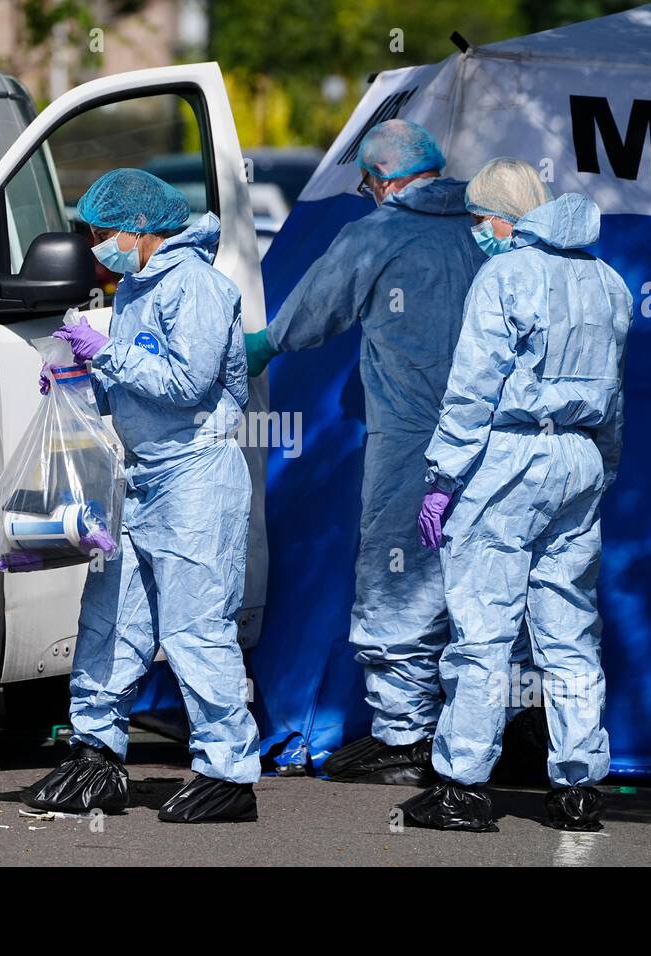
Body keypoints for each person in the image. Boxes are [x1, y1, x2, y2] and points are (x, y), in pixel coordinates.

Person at [244, 119, 508, 786]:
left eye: (368, 182)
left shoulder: (377, 234)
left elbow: (309, 315)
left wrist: (262, 345)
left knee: (398, 584)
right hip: (500, 442)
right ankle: (487, 737)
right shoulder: (486, 232)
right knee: (491, 587)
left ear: (382, 179)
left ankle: (404, 736)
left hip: (414, 443)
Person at [22, 168, 261, 824]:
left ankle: (227, 772)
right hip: (141, 475)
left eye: (103, 231)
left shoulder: (201, 288)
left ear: (140, 227)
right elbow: (132, 383)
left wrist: (106, 354)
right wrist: (78, 374)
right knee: (112, 619)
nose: (97, 244)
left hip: (197, 479)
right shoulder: (133, 288)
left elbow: (187, 384)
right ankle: (96, 749)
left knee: (195, 629)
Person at [404, 158, 632, 832]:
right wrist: (602, 468)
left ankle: (464, 787)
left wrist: (442, 478)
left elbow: (472, 388)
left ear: (504, 215)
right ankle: (579, 787)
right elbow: (616, 396)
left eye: (480, 219)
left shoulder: (502, 275)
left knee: (483, 632)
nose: (478, 231)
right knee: (569, 631)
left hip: (508, 459)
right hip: (580, 458)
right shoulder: (608, 281)